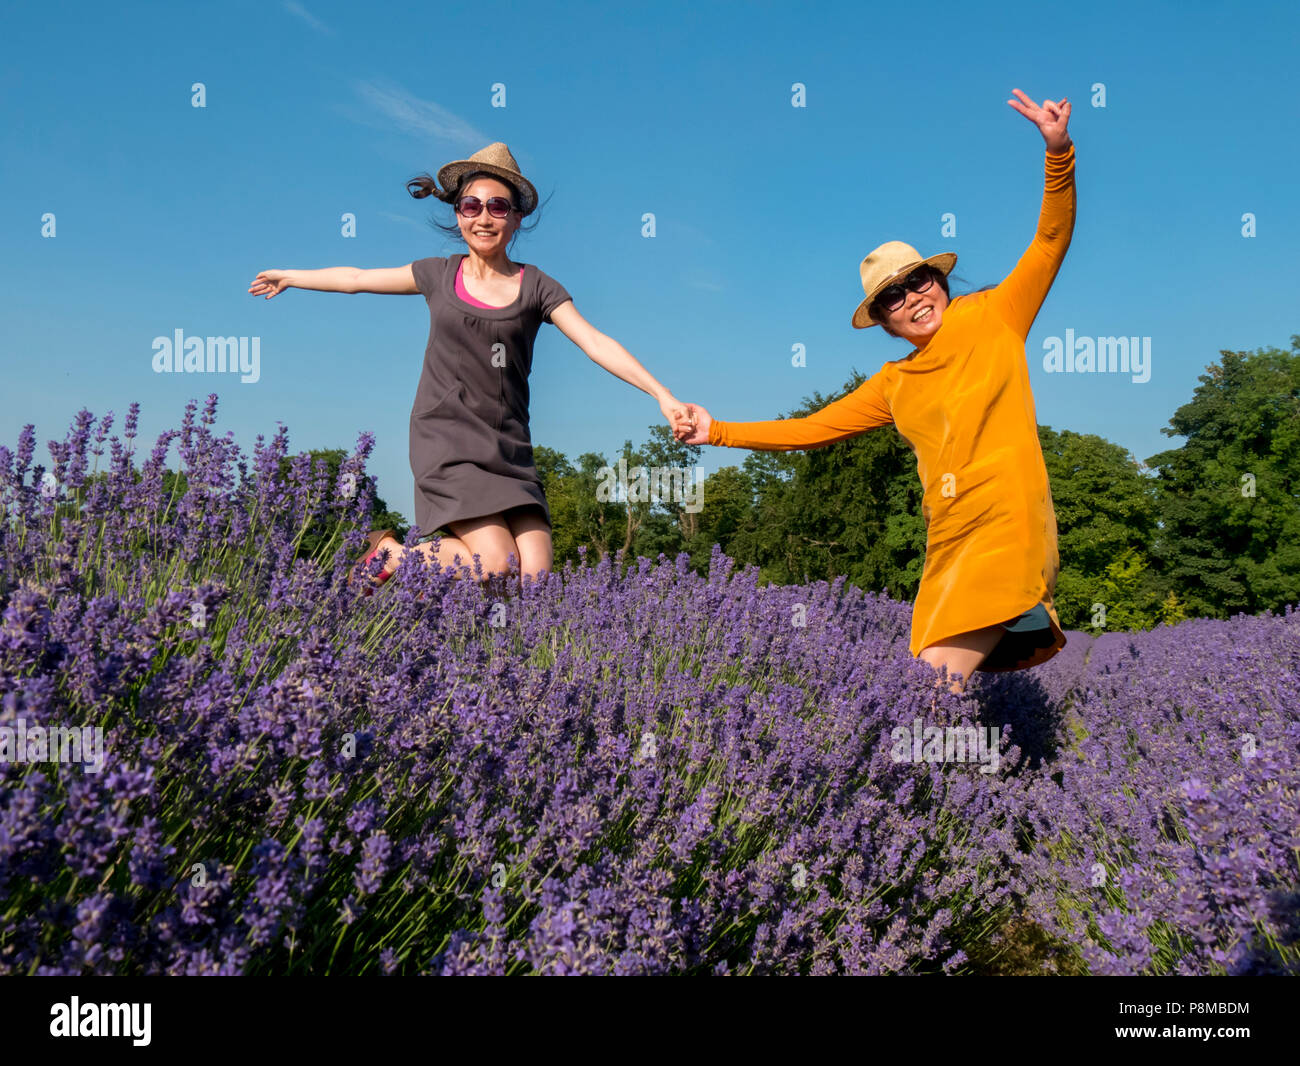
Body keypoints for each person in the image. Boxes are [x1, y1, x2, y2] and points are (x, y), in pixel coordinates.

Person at [677, 90, 1075, 699]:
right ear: (884, 322)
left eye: (920, 280)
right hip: (948, 536)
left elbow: (1049, 242)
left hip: (1006, 525)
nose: (914, 297)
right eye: (894, 297)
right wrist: (718, 431)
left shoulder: (992, 316)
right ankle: (954, 786)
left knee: (931, 686)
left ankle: (929, 788)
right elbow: (810, 430)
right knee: (929, 686)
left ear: (939, 281)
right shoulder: (893, 383)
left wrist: (1057, 152)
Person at [250, 142, 692, 594]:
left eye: (497, 207)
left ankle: (479, 654)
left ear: (517, 218)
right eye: (471, 205)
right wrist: (292, 275)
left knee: (535, 579)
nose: (484, 217)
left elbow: (595, 341)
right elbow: (357, 279)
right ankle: (394, 556)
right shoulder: (437, 274)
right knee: (494, 562)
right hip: (448, 438)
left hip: (509, 446)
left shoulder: (537, 286)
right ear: (459, 215)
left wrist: (663, 395)